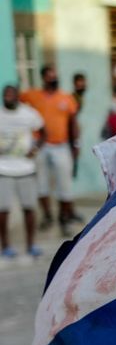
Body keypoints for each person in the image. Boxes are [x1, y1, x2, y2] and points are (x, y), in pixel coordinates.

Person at [20, 64, 81, 236]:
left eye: (55, 75)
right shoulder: (31, 95)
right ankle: (47, 216)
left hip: (61, 146)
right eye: (49, 75)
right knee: (41, 184)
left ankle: (65, 219)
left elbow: (73, 123)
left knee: (65, 185)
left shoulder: (66, 98)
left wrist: (75, 144)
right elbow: (16, 107)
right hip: (40, 145)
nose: (53, 78)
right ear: (43, 77)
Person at [0, 85, 44, 263]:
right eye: (5, 95)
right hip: (3, 169)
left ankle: (31, 245)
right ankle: (6, 247)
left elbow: (43, 131)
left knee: (29, 208)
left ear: (18, 96)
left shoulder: (29, 114)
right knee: (3, 210)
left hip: (26, 168)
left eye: (11, 94)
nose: (8, 97)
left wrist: (35, 149)